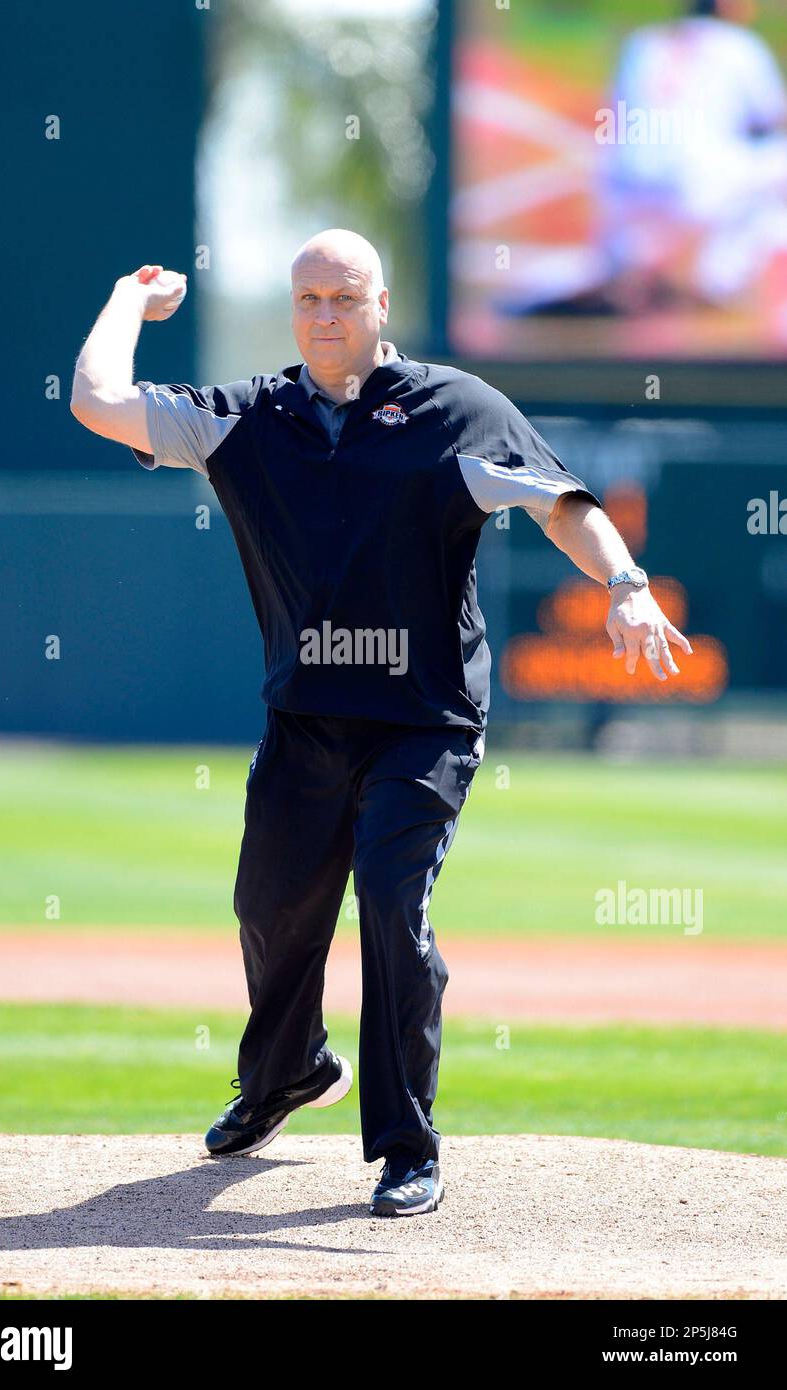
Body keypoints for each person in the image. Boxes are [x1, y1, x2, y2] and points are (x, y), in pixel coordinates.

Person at [70, 228, 691, 1217]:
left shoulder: (455, 411)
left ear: (381, 305)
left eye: (344, 297)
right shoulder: (249, 417)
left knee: (390, 905)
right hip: (306, 720)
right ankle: (284, 1074)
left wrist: (622, 582)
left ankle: (407, 1146)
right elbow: (96, 403)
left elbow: (561, 502)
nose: (324, 314)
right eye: (308, 297)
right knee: (268, 907)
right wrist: (122, 299)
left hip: (423, 720)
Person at [601, 0, 787, 312]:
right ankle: (722, 281)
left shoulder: (642, 42)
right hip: (697, 183)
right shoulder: (738, 45)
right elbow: (773, 116)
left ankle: (660, 275)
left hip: (627, 185)